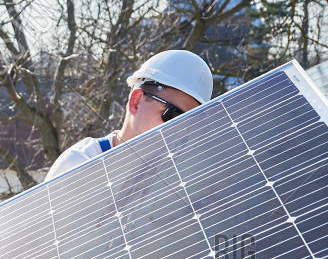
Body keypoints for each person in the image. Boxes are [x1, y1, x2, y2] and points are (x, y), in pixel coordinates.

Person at [46, 50, 214, 181]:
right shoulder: (79, 166)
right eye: (173, 116)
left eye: (189, 124)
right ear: (136, 101)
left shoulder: (177, 179)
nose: (177, 132)